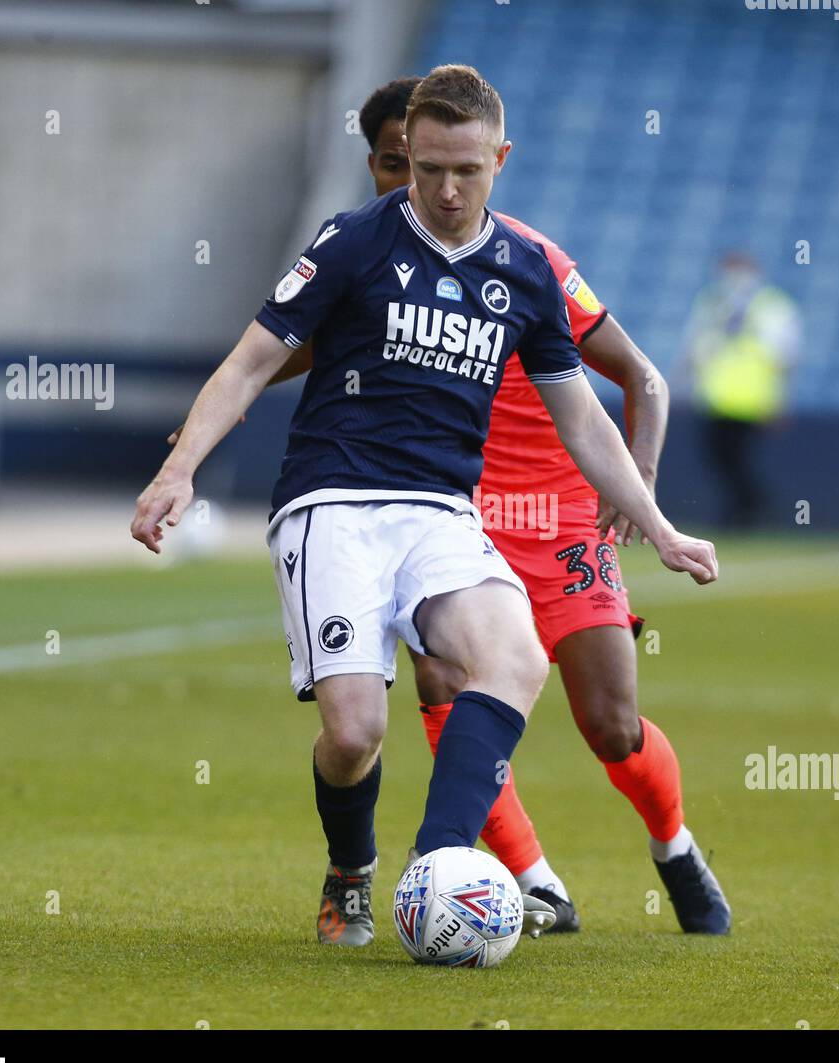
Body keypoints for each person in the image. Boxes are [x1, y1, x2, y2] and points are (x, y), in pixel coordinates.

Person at [132, 65, 719, 950]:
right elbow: (253, 360)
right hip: (334, 500)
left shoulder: (526, 269)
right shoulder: (352, 243)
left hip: (443, 510)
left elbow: (585, 420)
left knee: (514, 660)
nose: (445, 190)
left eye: (466, 171)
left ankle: (437, 866)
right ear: (407, 155)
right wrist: (180, 469)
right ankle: (351, 868)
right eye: (426, 168)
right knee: (355, 732)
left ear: (501, 159)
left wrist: (660, 523)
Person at [687, 253, 801, 528]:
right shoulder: (712, 303)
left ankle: (748, 511)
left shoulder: (772, 308)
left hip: (752, 401)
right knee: (720, 459)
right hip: (717, 399)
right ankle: (745, 510)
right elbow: (696, 348)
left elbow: (786, 356)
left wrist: (780, 399)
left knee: (737, 461)